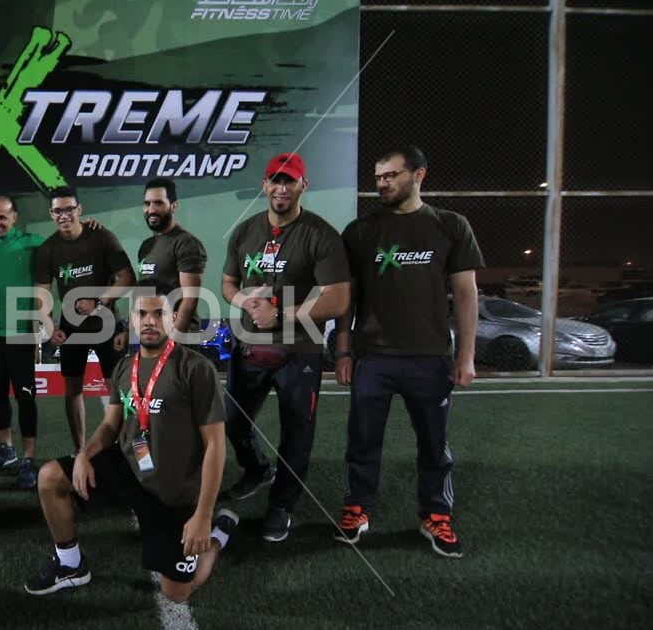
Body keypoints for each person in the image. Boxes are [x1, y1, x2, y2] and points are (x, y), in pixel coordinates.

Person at [24, 292, 237, 603]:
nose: (149, 320)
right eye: (142, 314)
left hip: (173, 491)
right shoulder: (125, 367)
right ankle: (71, 565)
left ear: (172, 319)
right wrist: (84, 454)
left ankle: (217, 536)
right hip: (131, 464)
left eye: (157, 314)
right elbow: (111, 425)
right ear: (132, 322)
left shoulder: (195, 369)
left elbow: (216, 446)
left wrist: (203, 515)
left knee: (177, 593)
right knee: (50, 477)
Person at [332, 145, 483, 558]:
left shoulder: (451, 226)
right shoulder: (361, 231)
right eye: (378, 176)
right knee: (362, 440)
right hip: (372, 357)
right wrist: (343, 349)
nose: (381, 183)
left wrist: (465, 355)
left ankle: (435, 514)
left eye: (391, 175)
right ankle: (357, 508)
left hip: (430, 357)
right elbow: (349, 296)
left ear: (418, 176)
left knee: (434, 444)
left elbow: (466, 293)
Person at [220, 152, 350, 542]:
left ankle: (282, 506)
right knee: (233, 420)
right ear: (264, 185)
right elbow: (228, 284)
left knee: (296, 433)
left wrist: (277, 312)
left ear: (302, 186)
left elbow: (339, 299)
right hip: (250, 350)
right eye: (274, 180)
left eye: (289, 180)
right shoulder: (245, 232)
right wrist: (247, 303)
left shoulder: (321, 234)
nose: (281, 187)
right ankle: (258, 469)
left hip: (299, 353)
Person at [35, 185, 135, 452]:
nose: (64, 215)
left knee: (117, 392)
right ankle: (80, 450)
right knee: (72, 390)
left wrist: (98, 301)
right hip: (71, 330)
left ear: (79, 209)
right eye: (58, 210)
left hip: (107, 326)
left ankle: (123, 448)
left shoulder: (101, 237)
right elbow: (41, 293)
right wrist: (49, 325)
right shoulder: (48, 249)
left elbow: (128, 278)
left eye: (69, 209)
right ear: (51, 214)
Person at [0, 194, 46, 488]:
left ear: (15, 217)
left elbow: (68, 245)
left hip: (21, 333)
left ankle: (28, 458)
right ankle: (7, 449)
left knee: (26, 397)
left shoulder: (33, 244)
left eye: (3, 217)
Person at [136, 178, 207, 334]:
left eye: (158, 203)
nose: (151, 209)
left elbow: (190, 298)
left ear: (174, 206)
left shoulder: (186, 243)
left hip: (179, 336)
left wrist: (174, 338)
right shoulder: (146, 245)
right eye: (147, 204)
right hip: (153, 333)